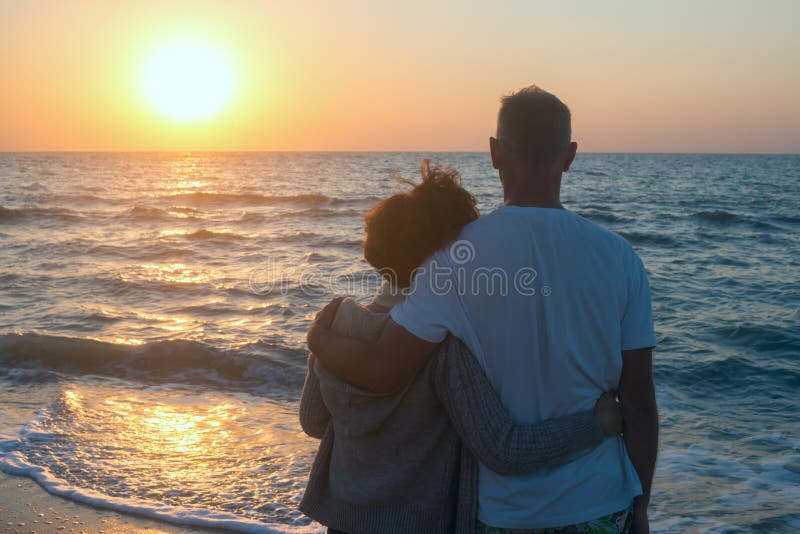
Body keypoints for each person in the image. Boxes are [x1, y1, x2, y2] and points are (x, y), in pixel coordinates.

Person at [308, 86, 658, 533]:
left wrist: (318, 338)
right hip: (602, 503)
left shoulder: (454, 259)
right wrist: (642, 507)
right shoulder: (621, 258)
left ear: (494, 153)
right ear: (569, 156)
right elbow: (640, 400)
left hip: (503, 513)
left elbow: (381, 371)